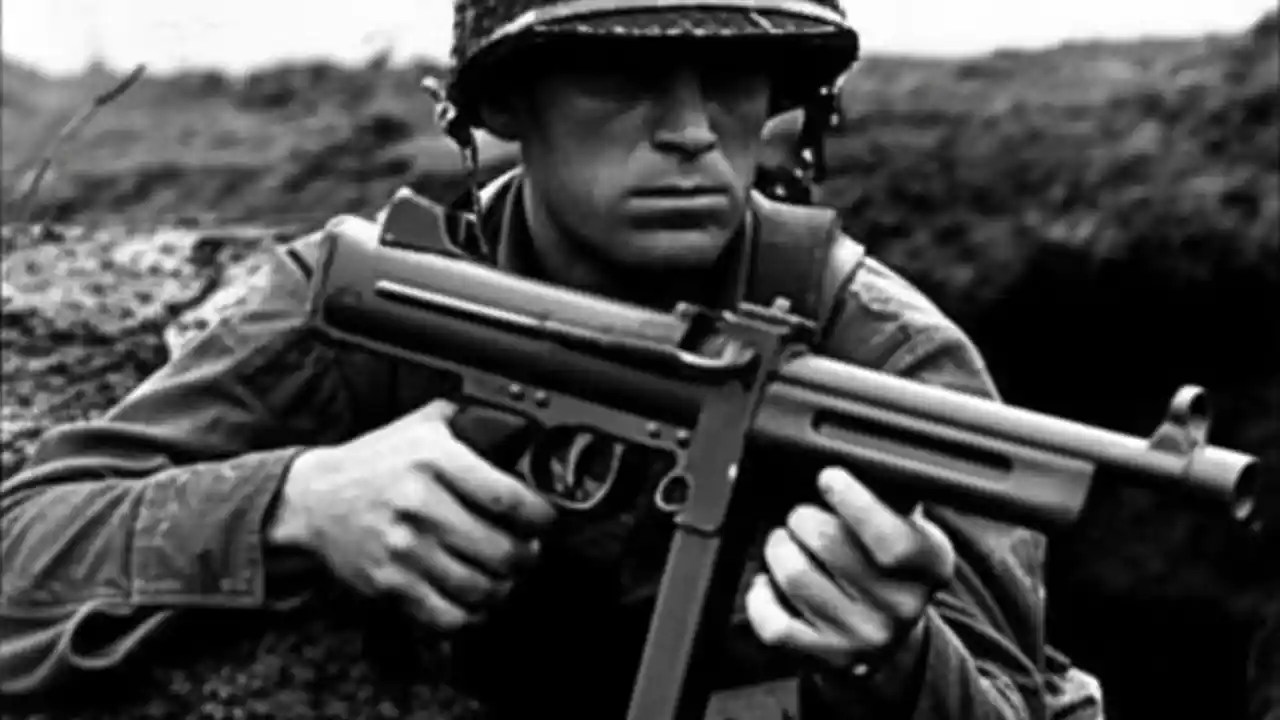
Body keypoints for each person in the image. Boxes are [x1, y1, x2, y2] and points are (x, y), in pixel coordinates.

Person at [0, 1, 1077, 718]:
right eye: (622, 76)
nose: (692, 131)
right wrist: (300, 499)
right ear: (504, 104)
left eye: (734, 77)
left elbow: (1009, 703)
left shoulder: (880, 359)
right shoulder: (385, 303)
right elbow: (27, 546)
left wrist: (888, 658)